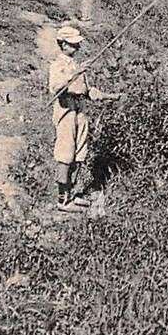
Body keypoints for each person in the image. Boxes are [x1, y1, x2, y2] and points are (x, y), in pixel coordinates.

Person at [49, 24, 121, 210]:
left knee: (79, 153)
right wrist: (75, 73)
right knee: (65, 154)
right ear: (62, 44)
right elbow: (57, 88)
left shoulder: (76, 65)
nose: (77, 48)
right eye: (72, 44)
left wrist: (111, 96)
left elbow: (88, 91)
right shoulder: (57, 65)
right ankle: (62, 200)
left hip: (80, 110)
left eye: (77, 44)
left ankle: (72, 194)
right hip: (66, 110)